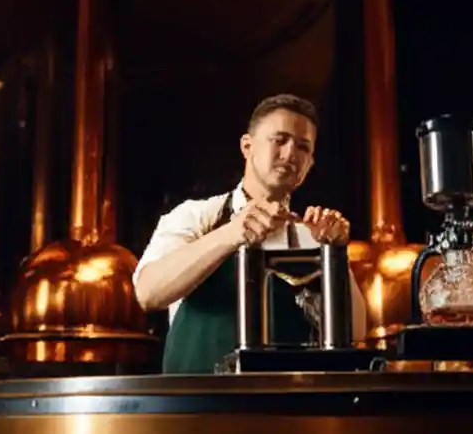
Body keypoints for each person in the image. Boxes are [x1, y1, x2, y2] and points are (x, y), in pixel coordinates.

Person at [135, 94, 366, 373]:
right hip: (198, 405)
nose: (291, 153)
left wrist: (336, 254)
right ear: (248, 146)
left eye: (303, 147)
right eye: (279, 139)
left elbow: (356, 330)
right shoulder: (197, 216)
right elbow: (149, 292)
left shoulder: (312, 236)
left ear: (309, 165)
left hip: (286, 405)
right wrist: (231, 234)